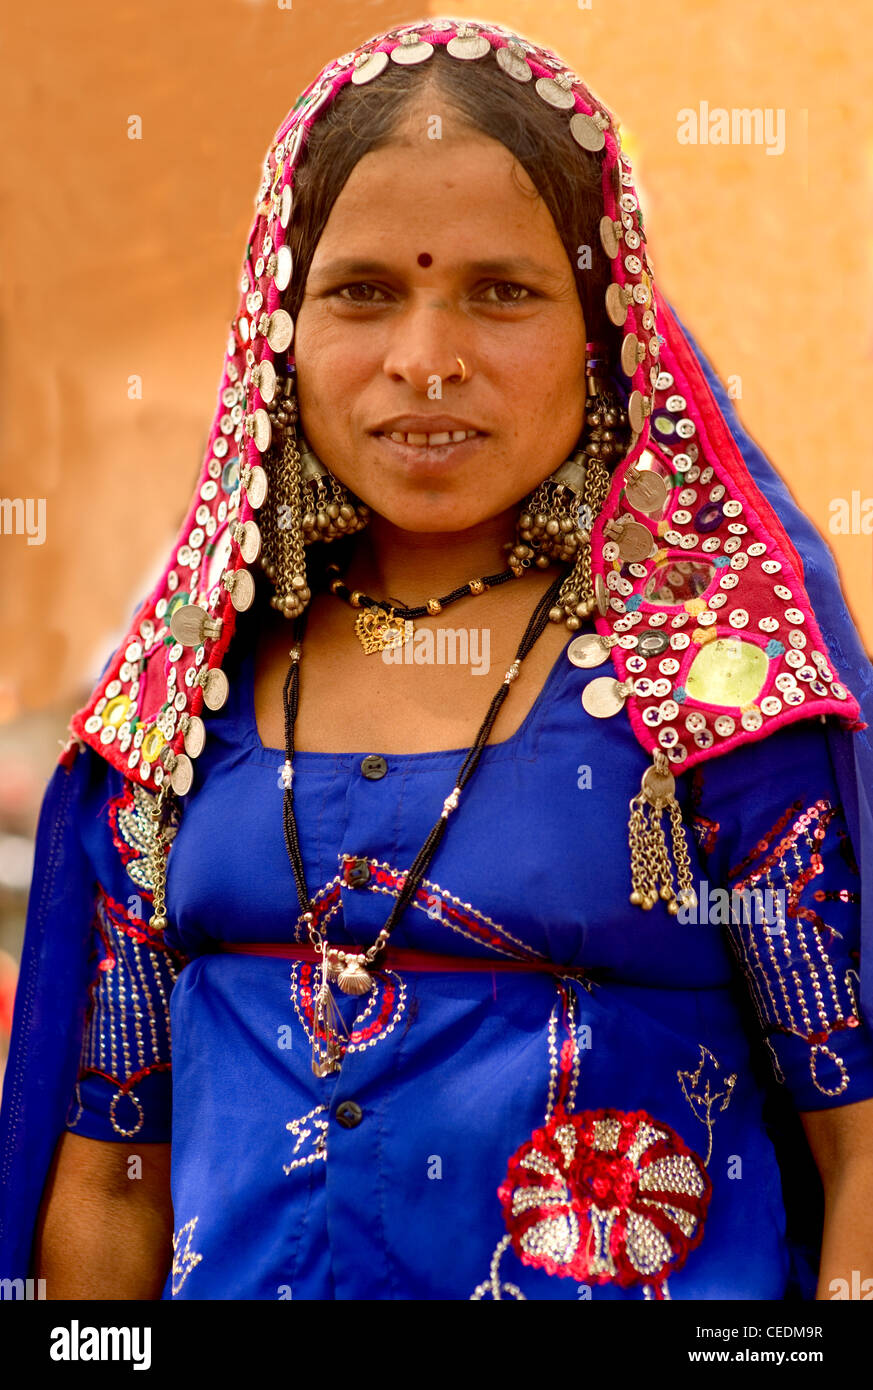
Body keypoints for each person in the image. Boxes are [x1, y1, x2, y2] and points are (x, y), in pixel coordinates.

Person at [2, 16, 872, 1302]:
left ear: (603, 329)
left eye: (502, 291)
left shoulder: (715, 703)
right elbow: (109, 1174)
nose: (426, 360)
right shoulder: (178, 717)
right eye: (363, 291)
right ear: (277, 331)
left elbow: (859, 1146)